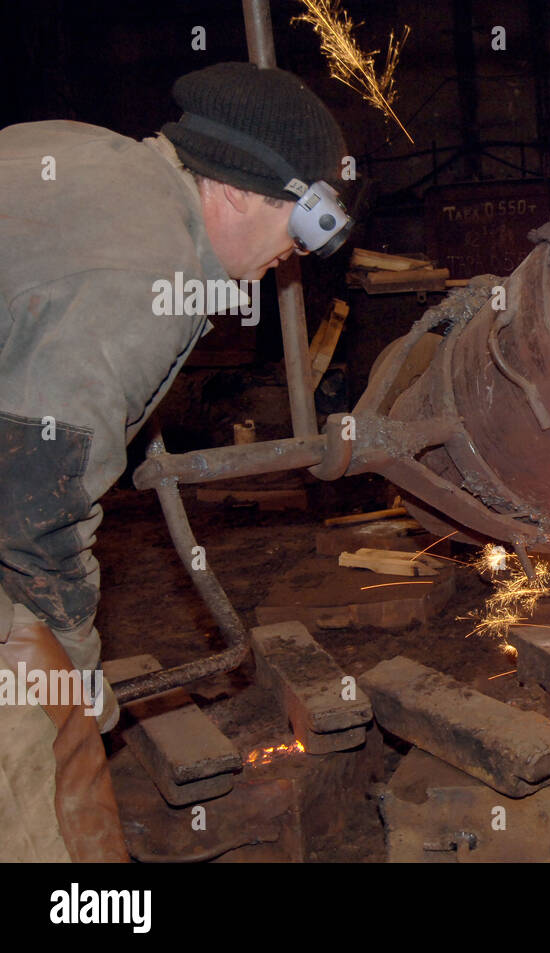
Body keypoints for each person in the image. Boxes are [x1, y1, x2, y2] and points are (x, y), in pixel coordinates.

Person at [0, 62, 349, 861]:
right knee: (44, 768)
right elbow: (34, 507)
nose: (292, 260)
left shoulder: (91, 156)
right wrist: (74, 686)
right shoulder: (141, 268)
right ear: (233, 190)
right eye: (299, 226)